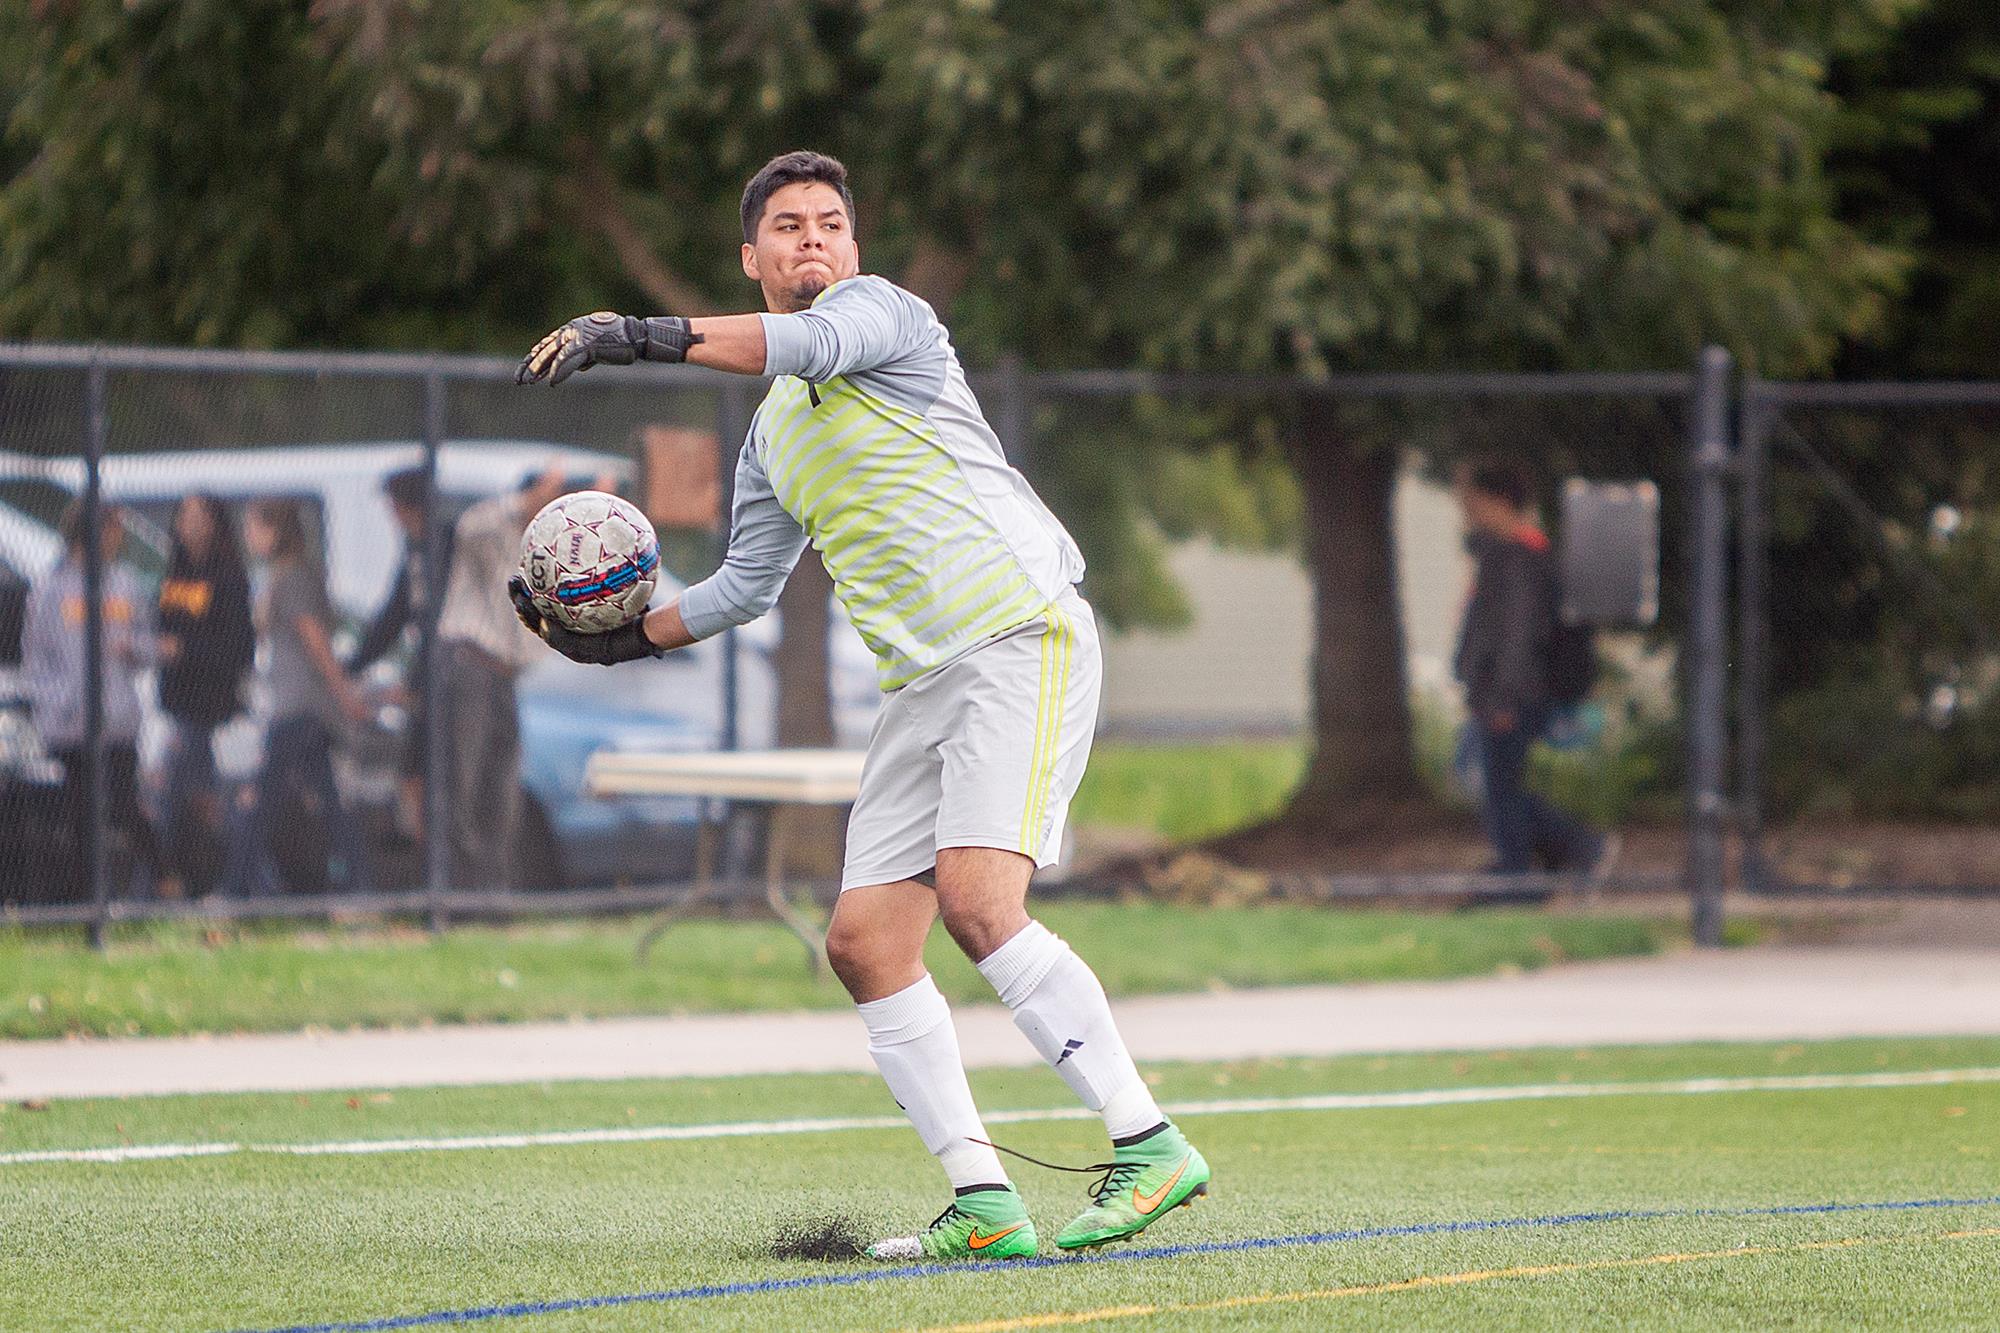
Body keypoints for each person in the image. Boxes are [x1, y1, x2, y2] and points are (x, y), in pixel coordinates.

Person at [512, 150, 1208, 1261]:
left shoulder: (885, 320)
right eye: (786, 228)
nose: (812, 243)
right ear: (752, 257)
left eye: (830, 224)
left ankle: (1148, 1141)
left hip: (1015, 636)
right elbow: (743, 585)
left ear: (854, 247)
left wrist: (635, 333)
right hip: (922, 682)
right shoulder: (775, 432)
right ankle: (982, 1205)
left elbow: (803, 342)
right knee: (863, 942)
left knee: (981, 904)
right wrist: (614, 648)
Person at [1452, 459, 1617, 881]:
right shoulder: (1502, 555)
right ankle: (1538, 858)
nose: (1473, 512)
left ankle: (1539, 861)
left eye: (1479, 503)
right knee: (1496, 783)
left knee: (1499, 784)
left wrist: (1503, 696)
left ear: (1501, 503)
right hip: (1500, 691)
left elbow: (1517, 635)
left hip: (1512, 693)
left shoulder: (1522, 559)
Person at [229, 499, 370, 896]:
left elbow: (315, 642)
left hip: (300, 709)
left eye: (254, 527)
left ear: (274, 531)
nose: (248, 536)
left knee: (259, 801)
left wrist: (344, 695)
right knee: (329, 803)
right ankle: (359, 884)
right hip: (290, 704)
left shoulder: (292, 580)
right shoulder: (275, 577)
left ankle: (235, 890)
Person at [432, 467, 564, 890]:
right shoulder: (490, 526)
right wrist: (526, 503)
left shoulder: (551, 545)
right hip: (471, 664)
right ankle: (451, 895)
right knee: (462, 785)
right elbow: (470, 527)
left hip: (506, 676)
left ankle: (493, 896)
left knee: (502, 789)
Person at [22, 502, 163, 896]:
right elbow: (37, 660)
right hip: (72, 725)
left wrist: (135, 648)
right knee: (81, 813)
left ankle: (161, 879)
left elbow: (146, 644)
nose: (118, 539)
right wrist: (60, 701)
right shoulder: (51, 588)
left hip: (118, 719)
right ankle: (88, 900)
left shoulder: (125, 583)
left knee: (124, 803)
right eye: (114, 530)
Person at [155, 493, 257, 897]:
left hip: (211, 705)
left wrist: (186, 650)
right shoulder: (174, 574)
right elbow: (162, 627)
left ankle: (160, 885)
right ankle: (202, 882)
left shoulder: (227, 576)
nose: (189, 523)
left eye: (199, 516)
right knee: (190, 798)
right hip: (178, 703)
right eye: (184, 515)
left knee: (190, 797)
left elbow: (237, 646)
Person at [348, 467, 450, 844]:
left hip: (449, 676)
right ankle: (428, 858)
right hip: (427, 674)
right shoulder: (415, 550)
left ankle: (443, 859)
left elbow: (445, 623)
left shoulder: (445, 546)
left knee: (432, 773)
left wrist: (416, 683)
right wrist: (354, 665)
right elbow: (396, 614)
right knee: (412, 773)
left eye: (396, 505)